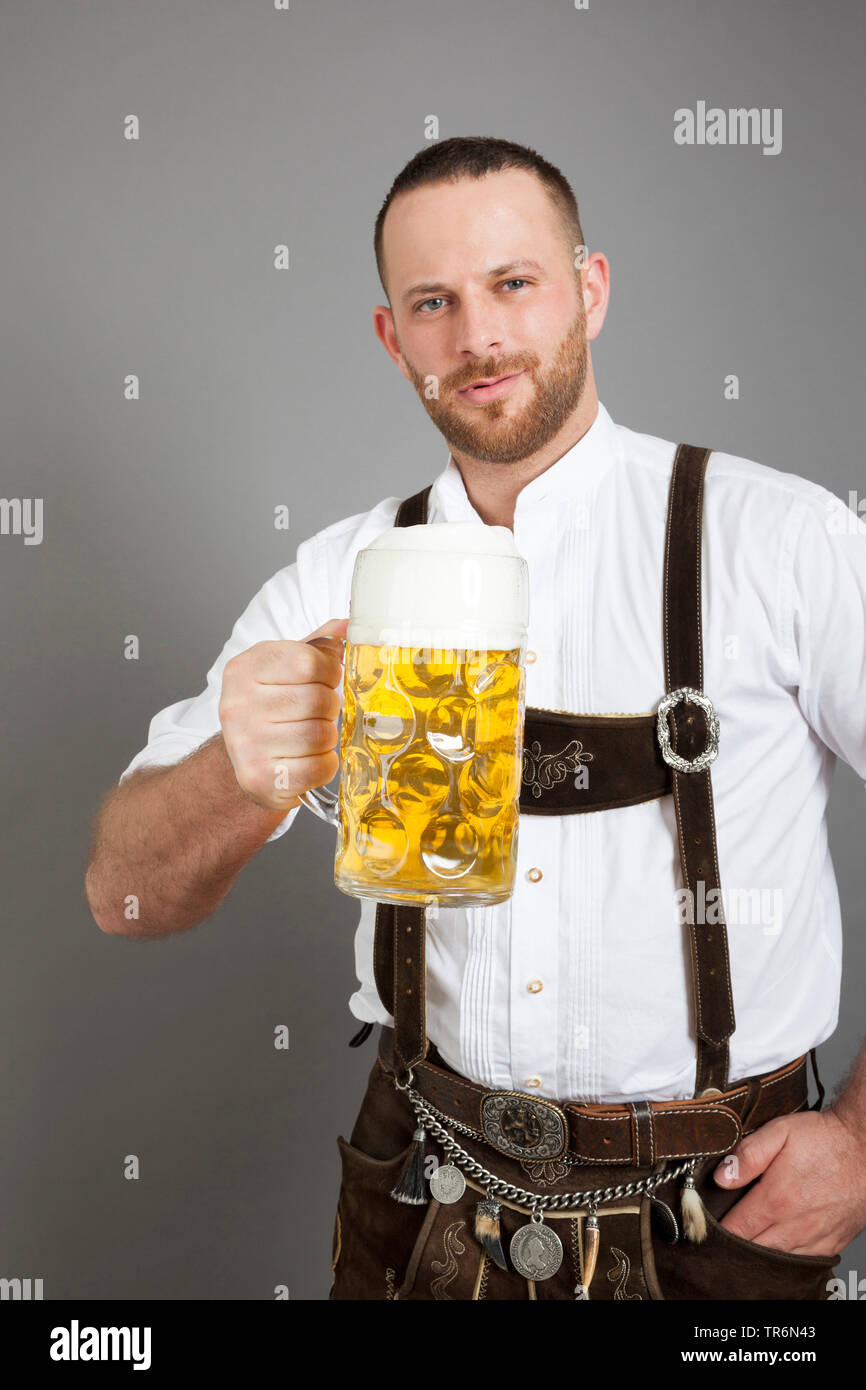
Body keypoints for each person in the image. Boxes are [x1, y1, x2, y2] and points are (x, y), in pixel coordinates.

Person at [85, 135, 866, 1301]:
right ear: (390, 336)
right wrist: (234, 778)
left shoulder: (780, 541)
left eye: (513, 283)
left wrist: (861, 1136)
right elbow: (123, 895)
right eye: (432, 302)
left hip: (719, 1222)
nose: (477, 336)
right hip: (417, 1201)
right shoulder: (334, 577)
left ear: (588, 290)